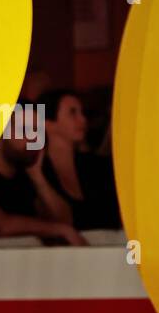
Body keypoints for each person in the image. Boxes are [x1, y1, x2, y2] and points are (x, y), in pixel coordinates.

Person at [0, 102, 87, 245]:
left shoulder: (27, 175)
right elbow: (3, 225)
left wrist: (37, 177)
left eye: (37, 132)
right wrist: (61, 230)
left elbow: (66, 221)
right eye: (24, 130)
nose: (33, 138)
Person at [34, 88, 121, 231]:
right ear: (48, 123)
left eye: (82, 112)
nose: (83, 119)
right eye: (72, 113)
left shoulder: (96, 166)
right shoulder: (39, 169)